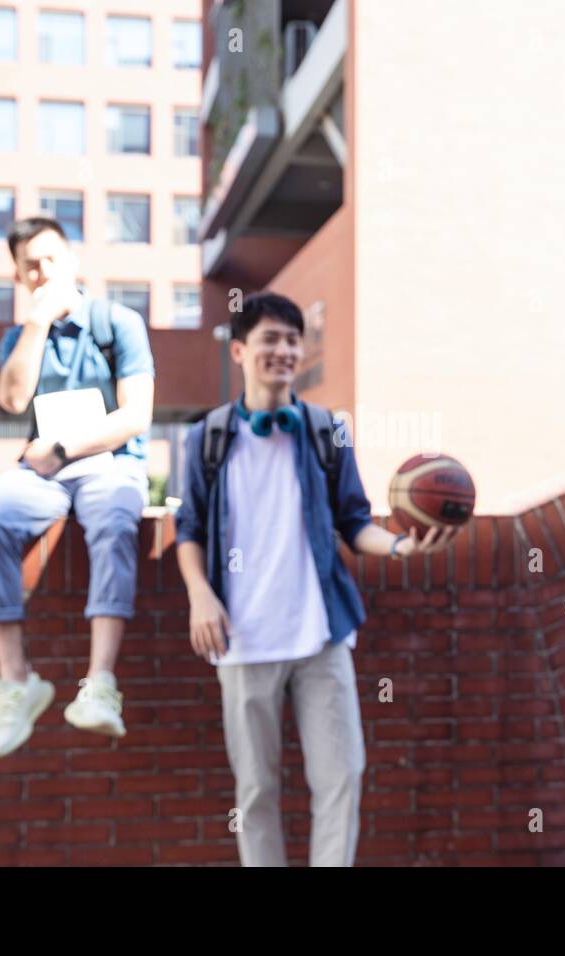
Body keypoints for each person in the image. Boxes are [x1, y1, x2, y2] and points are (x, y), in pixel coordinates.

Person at [175, 291, 458, 866]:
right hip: (242, 639)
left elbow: (355, 522)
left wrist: (401, 544)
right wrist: (200, 595)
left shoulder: (329, 431)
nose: (282, 350)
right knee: (255, 790)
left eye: (291, 339)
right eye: (269, 339)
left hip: (319, 634)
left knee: (342, 776)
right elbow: (187, 530)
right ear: (239, 350)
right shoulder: (206, 437)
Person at [0, 216, 155, 761]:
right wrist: (35, 326)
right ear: (19, 276)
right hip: (43, 472)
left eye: (51, 259)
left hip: (109, 464)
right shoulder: (19, 334)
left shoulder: (117, 322)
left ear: (72, 260)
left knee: (114, 522)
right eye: (29, 265)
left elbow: (137, 416)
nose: (42, 271)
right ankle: (16, 684)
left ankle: (100, 685)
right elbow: (10, 401)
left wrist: (64, 448)